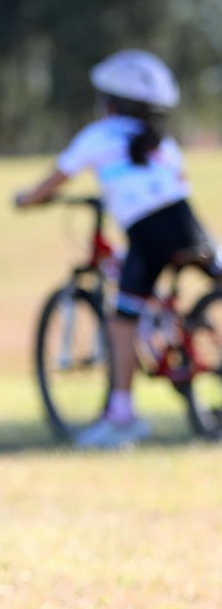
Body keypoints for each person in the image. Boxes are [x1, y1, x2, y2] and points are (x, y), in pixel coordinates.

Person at [15, 49, 214, 448]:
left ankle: (122, 416)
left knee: (121, 322)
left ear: (108, 102)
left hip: (149, 235)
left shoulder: (99, 136)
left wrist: (26, 199)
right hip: (189, 226)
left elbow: (55, 180)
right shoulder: (163, 143)